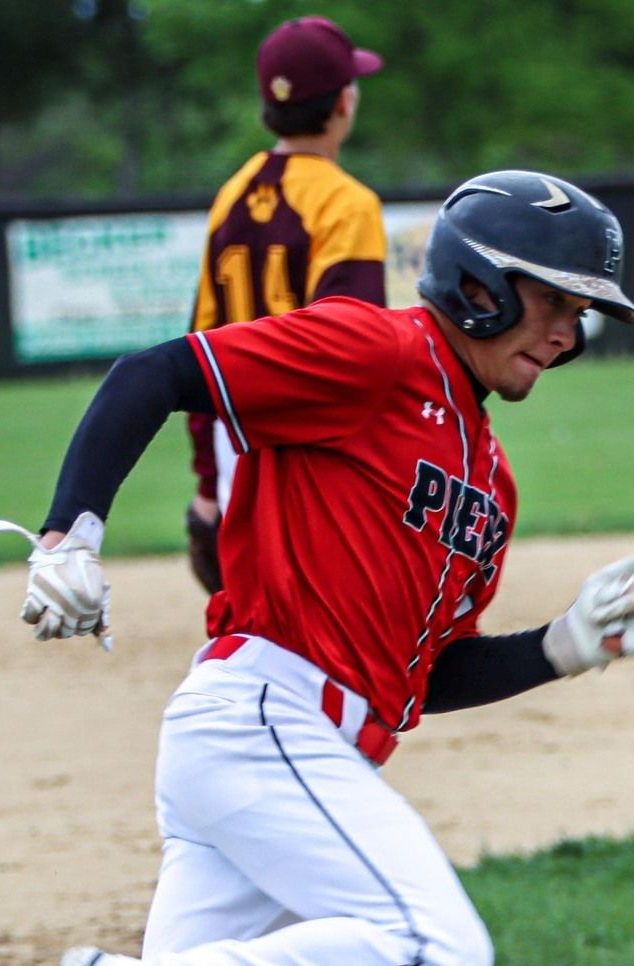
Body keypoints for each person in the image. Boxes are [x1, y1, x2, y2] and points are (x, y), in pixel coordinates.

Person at [0, 169, 634, 966]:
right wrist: (71, 533)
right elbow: (154, 374)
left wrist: (562, 648)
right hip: (264, 721)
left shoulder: (489, 474)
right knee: (436, 952)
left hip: (283, 757)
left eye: (584, 314)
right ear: (481, 284)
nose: (571, 333)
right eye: (557, 301)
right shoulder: (378, 348)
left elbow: (419, 674)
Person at [183, 14, 387, 595]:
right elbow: (355, 348)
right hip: (315, 440)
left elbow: (198, 347)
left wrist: (207, 477)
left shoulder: (233, 192)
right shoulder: (348, 203)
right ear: (344, 102)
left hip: (236, 432)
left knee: (254, 604)